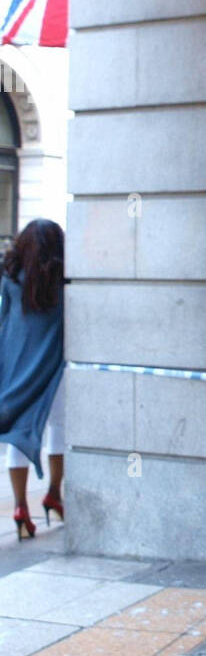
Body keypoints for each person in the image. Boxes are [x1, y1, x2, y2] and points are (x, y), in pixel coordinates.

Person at [0, 219, 66, 540]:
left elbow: (3, 323)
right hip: (53, 371)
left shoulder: (11, 277)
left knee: (16, 432)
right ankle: (53, 491)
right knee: (58, 428)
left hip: (15, 369)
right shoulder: (64, 282)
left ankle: (19, 506)